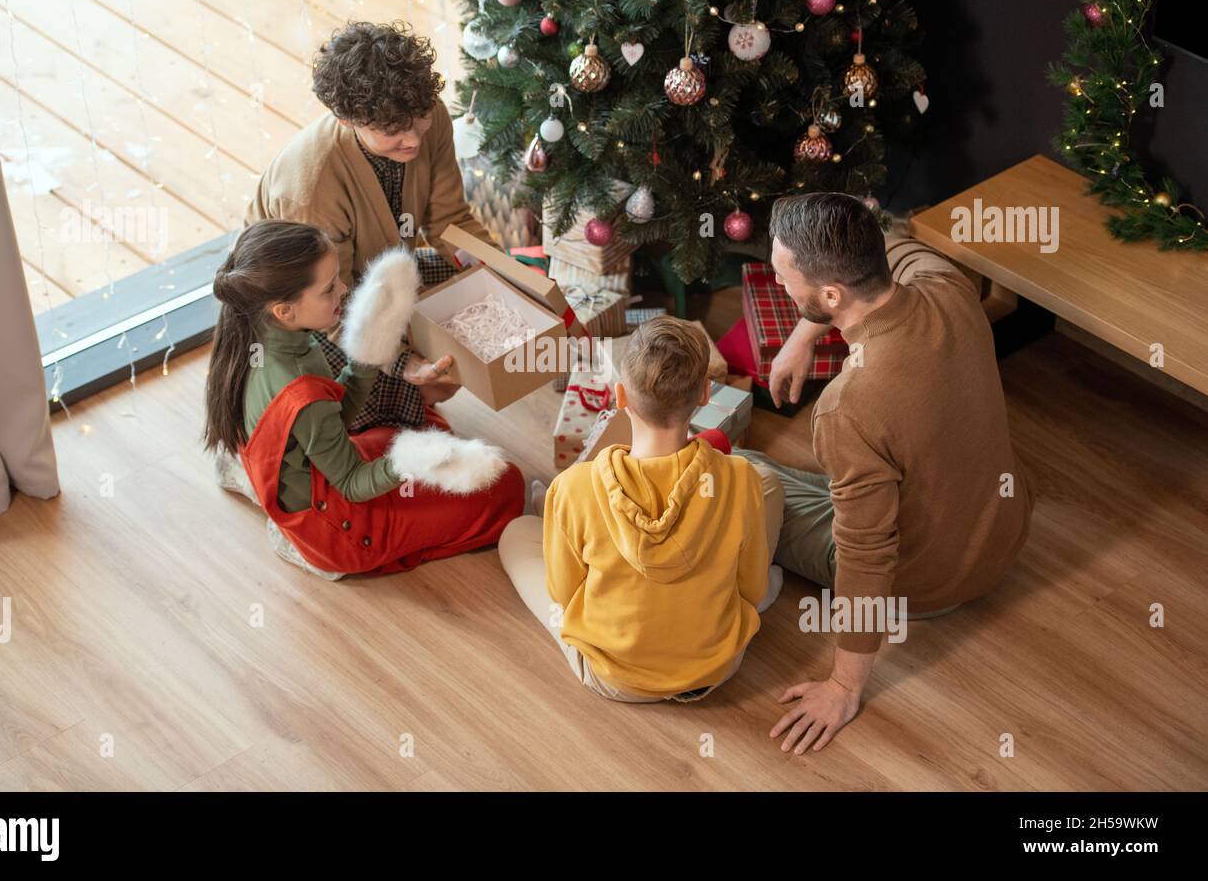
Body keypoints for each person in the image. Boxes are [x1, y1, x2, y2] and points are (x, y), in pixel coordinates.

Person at [750, 192, 1035, 753]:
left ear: (831, 294)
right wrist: (804, 334)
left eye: (785, 277)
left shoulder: (847, 406)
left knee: (740, 476)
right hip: (1004, 533)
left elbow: (866, 555)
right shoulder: (948, 285)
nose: (778, 283)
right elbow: (897, 248)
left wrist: (842, 685)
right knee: (811, 476)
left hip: (926, 581)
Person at [203, 220, 524, 579]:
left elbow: (332, 418)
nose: (343, 289)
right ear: (283, 310)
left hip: (311, 477)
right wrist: (410, 460)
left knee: (427, 427)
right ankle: (307, 548)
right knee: (506, 489)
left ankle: (276, 512)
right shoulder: (297, 390)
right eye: (328, 289)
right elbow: (354, 485)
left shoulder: (252, 336)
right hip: (338, 526)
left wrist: (367, 356)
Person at [497, 317, 785, 703]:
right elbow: (750, 587)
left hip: (613, 677)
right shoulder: (739, 477)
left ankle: (552, 522)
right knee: (767, 481)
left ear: (619, 396)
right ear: (704, 393)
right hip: (717, 667)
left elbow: (564, 594)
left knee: (516, 532)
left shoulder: (575, 486)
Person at [245, 20, 493, 431]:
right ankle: (389, 410)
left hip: (371, 273)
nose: (413, 140)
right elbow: (328, 306)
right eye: (392, 132)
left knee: (464, 293)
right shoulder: (309, 187)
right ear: (347, 120)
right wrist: (400, 360)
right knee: (379, 397)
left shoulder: (429, 117)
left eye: (419, 119)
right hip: (308, 304)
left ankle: (410, 399)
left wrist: (494, 270)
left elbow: (449, 220)